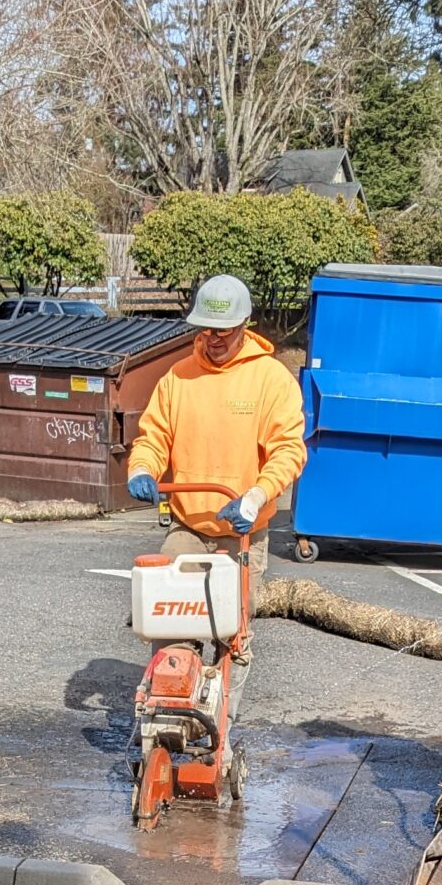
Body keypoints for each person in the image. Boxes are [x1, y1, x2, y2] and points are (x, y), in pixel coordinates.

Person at [125, 275, 306, 648]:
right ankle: (173, 698)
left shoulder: (270, 379)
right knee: (168, 625)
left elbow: (288, 450)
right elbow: (154, 437)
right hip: (188, 527)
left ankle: (225, 705)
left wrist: (255, 498)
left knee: (231, 637)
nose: (215, 338)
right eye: (208, 329)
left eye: (224, 329)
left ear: (244, 324)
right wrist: (142, 468)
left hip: (241, 534)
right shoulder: (178, 378)